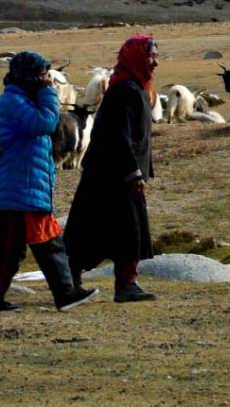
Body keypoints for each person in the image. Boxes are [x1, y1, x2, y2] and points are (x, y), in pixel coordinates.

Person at [0, 51, 98, 312]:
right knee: (48, 241)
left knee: (11, 250)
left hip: (21, 187)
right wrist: (48, 92)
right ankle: (65, 294)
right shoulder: (13, 101)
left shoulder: (20, 99)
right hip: (22, 187)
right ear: (30, 76)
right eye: (43, 75)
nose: (48, 79)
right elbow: (44, 123)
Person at [64, 34, 158, 303]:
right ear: (137, 57)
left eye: (155, 56)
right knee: (110, 228)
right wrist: (133, 170)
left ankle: (124, 283)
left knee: (117, 228)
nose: (155, 62)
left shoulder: (134, 87)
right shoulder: (124, 91)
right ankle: (112, 284)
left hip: (117, 173)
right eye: (150, 56)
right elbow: (119, 134)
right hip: (112, 174)